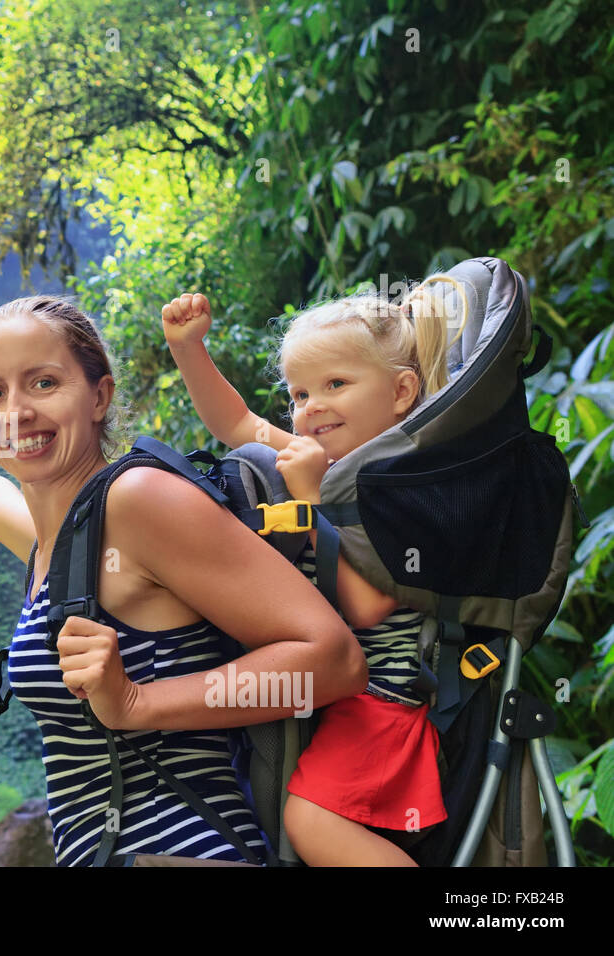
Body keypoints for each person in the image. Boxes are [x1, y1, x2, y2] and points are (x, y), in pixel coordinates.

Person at [0, 294, 366, 866]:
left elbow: (334, 662)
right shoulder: (55, 542)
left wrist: (135, 702)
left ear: (99, 396)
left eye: (44, 384)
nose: (17, 412)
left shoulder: (138, 501)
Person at [160, 279, 468, 865]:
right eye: (300, 395)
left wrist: (310, 507)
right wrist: (188, 349)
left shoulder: (409, 486)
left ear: (402, 391)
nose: (311, 407)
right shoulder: (326, 464)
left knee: (309, 821)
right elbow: (237, 425)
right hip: (338, 694)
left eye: (336, 385)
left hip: (386, 700)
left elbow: (369, 606)